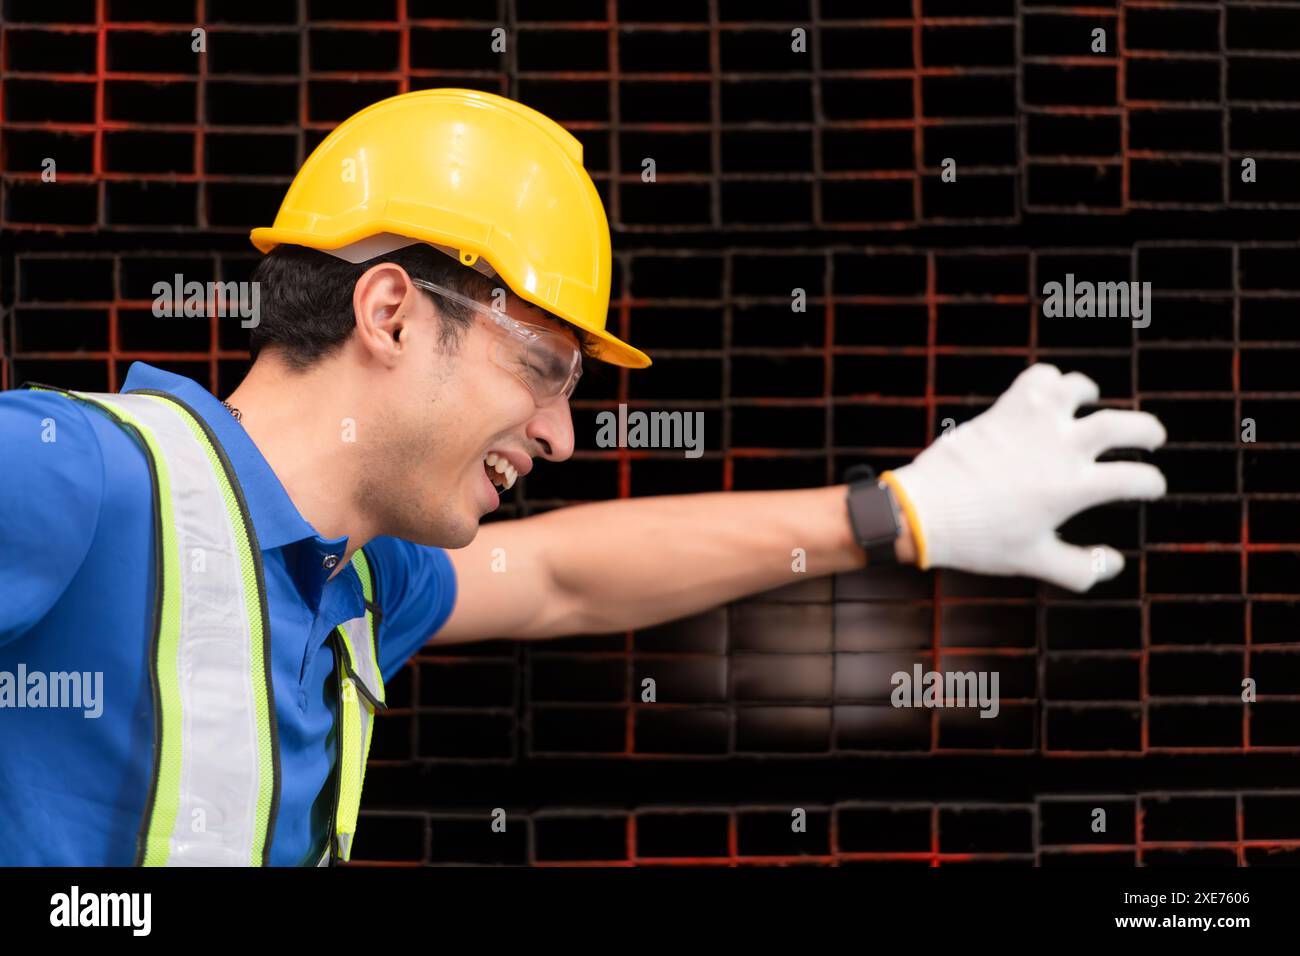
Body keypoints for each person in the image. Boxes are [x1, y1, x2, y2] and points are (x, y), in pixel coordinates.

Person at [0, 89, 1167, 866]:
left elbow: (561, 572)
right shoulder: (83, 481)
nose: (561, 435)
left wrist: (902, 511)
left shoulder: (353, 582)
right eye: (544, 368)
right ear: (393, 313)